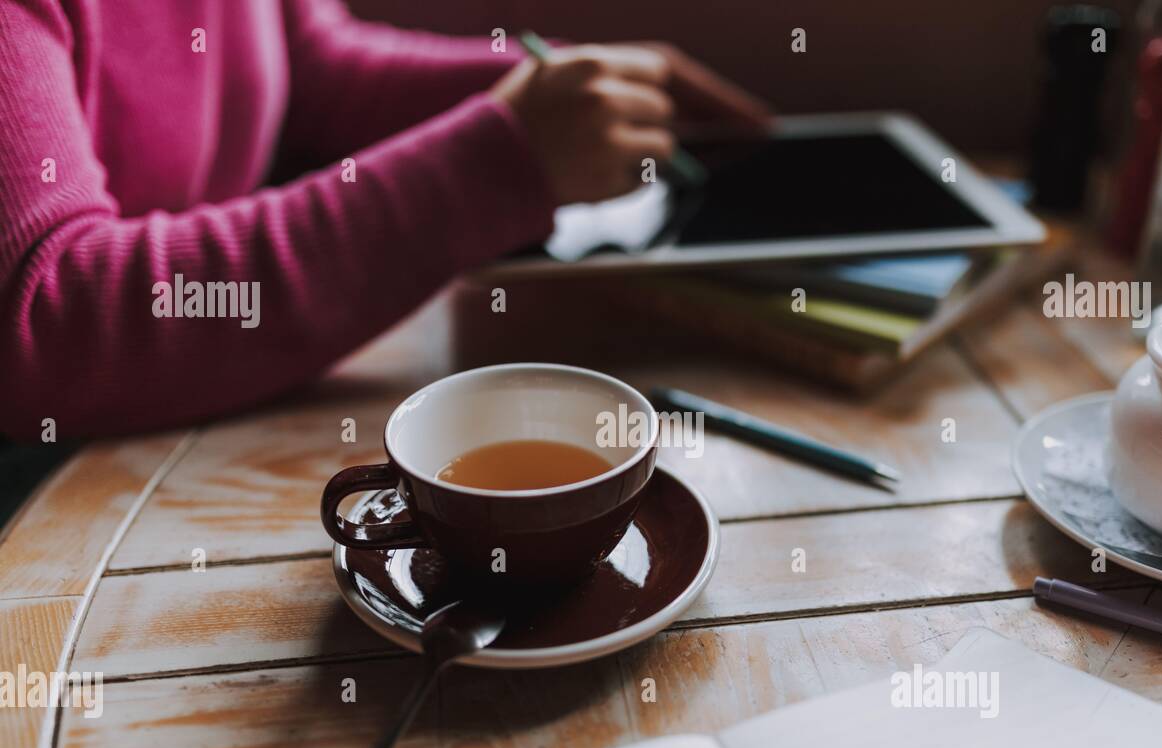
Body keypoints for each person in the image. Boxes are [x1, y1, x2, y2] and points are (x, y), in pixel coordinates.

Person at [0, 0, 767, 439]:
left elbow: (310, 71)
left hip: (193, 422)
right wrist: (497, 163)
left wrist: (571, 93)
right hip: (45, 497)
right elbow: (46, 326)